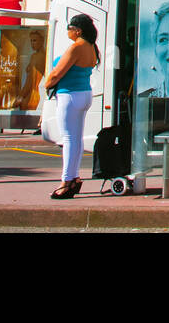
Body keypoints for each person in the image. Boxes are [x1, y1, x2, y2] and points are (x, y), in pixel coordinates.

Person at [42, 13, 100, 199]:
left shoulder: (76, 48)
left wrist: (47, 84)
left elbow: (57, 73)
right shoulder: (91, 47)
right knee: (76, 138)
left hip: (70, 95)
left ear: (78, 31)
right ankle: (73, 177)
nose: (67, 31)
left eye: (69, 28)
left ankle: (66, 181)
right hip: (84, 93)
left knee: (68, 139)